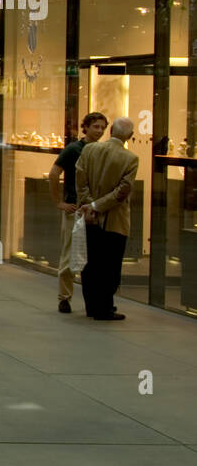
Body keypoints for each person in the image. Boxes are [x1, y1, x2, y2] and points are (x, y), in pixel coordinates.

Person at [76, 117, 139, 321]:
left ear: (110, 130)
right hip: (114, 220)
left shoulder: (89, 150)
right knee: (110, 265)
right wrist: (98, 206)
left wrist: (89, 204)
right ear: (129, 136)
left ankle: (91, 306)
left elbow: (80, 179)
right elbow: (122, 191)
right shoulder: (130, 159)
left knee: (91, 263)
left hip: (89, 217)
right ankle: (104, 307)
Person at [48, 113, 107, 313]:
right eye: (96, 127)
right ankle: (64, 297)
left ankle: (91, 298)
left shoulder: (102, 150)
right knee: (69, 252)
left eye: (102, 127)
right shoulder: (74, 149)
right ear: (86, 128)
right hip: (75, 208)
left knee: (93, 255)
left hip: (95, 208)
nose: (99, 131)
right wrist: (60, 202)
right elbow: (54, 173)